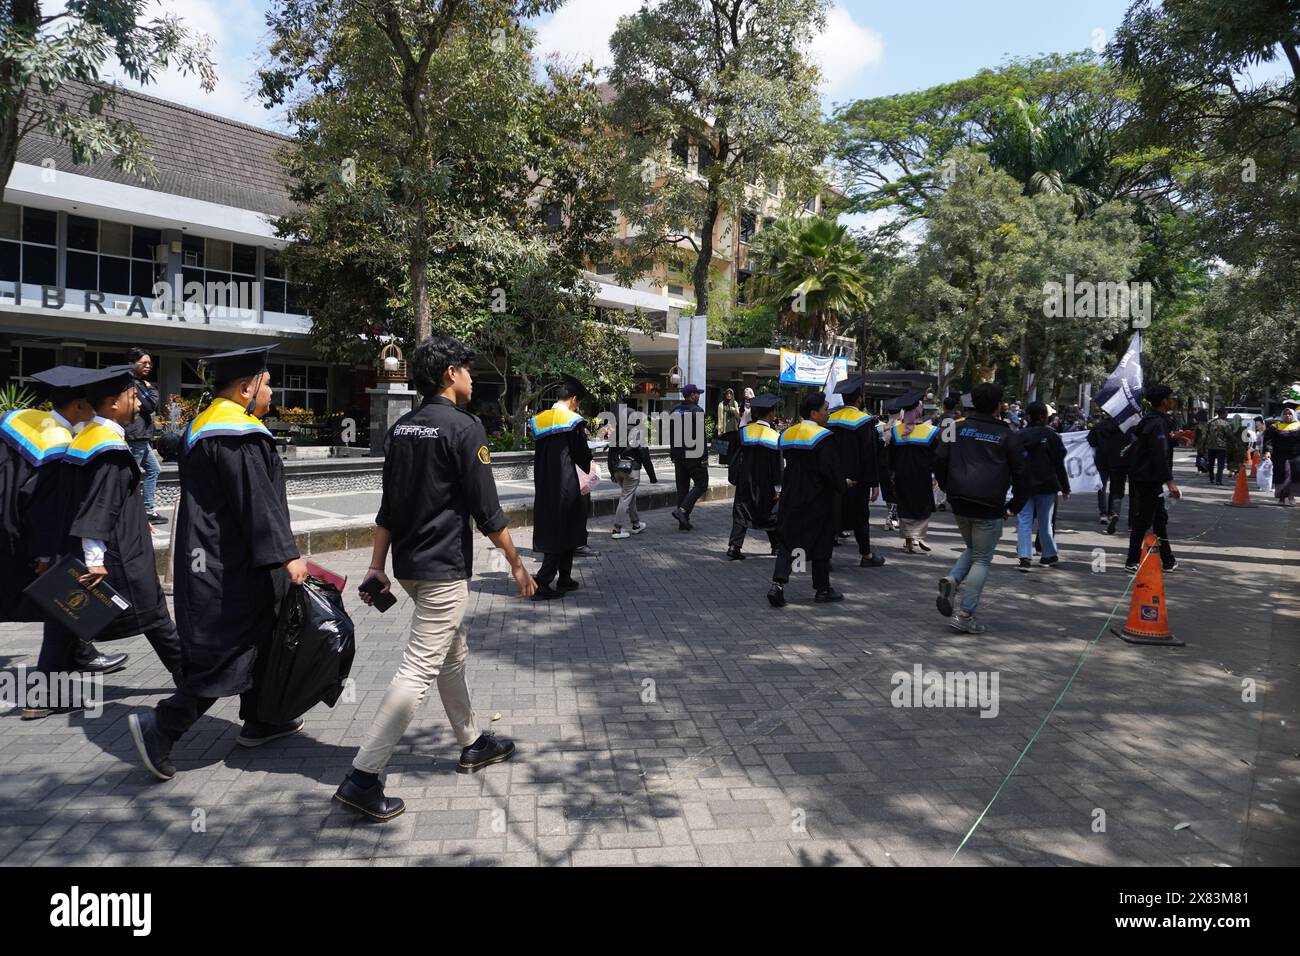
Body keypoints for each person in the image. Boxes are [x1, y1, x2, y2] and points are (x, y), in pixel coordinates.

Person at [333, 336, 535, 821]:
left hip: (408, 568)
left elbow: (389, 508)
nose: (472, 375)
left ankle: (472, 742)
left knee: (451, 652)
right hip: (443, 568)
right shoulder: (465, 428)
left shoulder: (403, 429)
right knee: (419, 667)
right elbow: (488, 511)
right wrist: (517, 564)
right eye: (467, 367)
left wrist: (377, 565)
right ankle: (363, 776)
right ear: (450, 373)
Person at [127, 346, 306, 781]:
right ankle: (162, 728)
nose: (270, 392)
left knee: (265, 633)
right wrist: (287, 556)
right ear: (246, 388)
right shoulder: (236, 433)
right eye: (266, 384)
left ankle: (263, 720)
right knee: (231, 649)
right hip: (232, 561)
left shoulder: (205, 424)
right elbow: (257, 505)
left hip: (211, 552)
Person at [26, 367, 183, 720]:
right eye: (132, 396)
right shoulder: (108, 448)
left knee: (62, 621)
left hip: (77, 547)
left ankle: (40, 697)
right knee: (155, 616)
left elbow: (71, 502)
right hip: (116, 552)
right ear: (113, 404)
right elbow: (99, 506)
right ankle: (193, 676)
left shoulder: (82, 438)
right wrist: (96, 558)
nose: (140, 404)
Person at [1, 367, 126, 678]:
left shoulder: (18, 418)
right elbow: (42, 508)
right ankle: (78, 657)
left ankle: (82, 652)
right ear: (78, 406)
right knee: (62, 592)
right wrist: (43, 554)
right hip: (16, 527)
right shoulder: (57, 445)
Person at [933, 381, 1030, 634]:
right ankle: (965, 614)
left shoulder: (953, 427)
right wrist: (1015, 506)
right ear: (999, 406)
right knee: (982, 558)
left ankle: (953, 580)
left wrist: (947, 488)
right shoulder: (1009, 434)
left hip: (959, 502)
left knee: (975, 549)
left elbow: (939, 459)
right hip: (989, 504)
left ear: (973, 404)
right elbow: (1022, 474)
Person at [767, 391, 846, 607]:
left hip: (791, 495)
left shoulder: (787, 435)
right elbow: (830, 469)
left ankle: (778, 584)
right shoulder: (824, 437)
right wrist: (843, 484)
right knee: (820, 541)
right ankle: (822, 588)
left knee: (788, 541)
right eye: (825, 409)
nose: (828, 413)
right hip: (817, 497)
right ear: (814, 413)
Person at [529, 375, 594, 599]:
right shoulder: (573, 422)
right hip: (566, 483)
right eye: (579, 402)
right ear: (573, 399)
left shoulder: (540, 420)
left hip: (544, 481)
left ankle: (565, 578)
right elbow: (581, 454)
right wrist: (590, 460)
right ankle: (543, 581)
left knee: (560, 526)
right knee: (562, 527)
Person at [826, 374, 886, 568]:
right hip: (857, 480)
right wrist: (874, 483)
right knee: (860, 517)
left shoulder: (830, 419)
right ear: (859, 399)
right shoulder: (864, 421)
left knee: (832, 514)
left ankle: (825, 558)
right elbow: (869, 456)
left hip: (833, 479)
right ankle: (866, 555)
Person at [1124, 384, 1181, 573]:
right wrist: (1170, 481)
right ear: (1164, 401)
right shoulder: (1157, 423)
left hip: (1144, 476)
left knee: (1159, 519)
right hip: (1149, 478)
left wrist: (1172, 438)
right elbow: (1159, 454)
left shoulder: (1152, 421)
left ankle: (1168, 560)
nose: (1173, 400)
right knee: (1144, 520)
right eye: (1171, 397)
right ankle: (1132, 560)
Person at [1015, 401, 1071, 571]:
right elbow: (1059, 464)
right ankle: (1048, 555)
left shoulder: (1018, 436)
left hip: (1023, 485)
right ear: (1042, 417)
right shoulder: (1053, 436)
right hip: (1047, 485)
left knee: (1024, 521)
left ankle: (1024, 557)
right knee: (1045, 522)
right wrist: (1065, 486)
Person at [726, 392, 782, 560]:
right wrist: (778, 487)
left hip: (745, 480)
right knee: (771, 514)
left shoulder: (743, 432)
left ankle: (734, 547)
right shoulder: (775, 436)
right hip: (765, 482)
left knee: (741, 511)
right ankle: (777, 547)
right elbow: (777, 465)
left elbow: (732, 455)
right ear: (771, 414)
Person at [884, 389, 939, 553]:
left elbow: (891, 457)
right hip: (922, 476)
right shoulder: (930, 431)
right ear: (919, 412)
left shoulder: (896, 431)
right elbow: (935, 457)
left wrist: (893, 473)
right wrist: (935, 475)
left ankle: (910, 540)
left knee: (905, 505)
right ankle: (918, 537)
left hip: (902, 476)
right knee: (922, 506)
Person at [124, 347, 166, 525]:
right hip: (135, 435)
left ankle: (148, 509)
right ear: (132, 363)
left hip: (142, 436)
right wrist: (146, 391)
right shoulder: (128, 382)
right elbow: (149, 406)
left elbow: (151, 404)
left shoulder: (141, 384)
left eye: (150, 363)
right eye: (144, 363)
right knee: (131, 475)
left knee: (153, 470)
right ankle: (127, 511)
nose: (148, 366)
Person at [607, 404, 657, 539]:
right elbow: (645, 456)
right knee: (625, 498)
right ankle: (617, 529)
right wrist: (652, 477)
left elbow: (610, 455)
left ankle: (636, 524)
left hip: (617, 470)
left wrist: (612, 472)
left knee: (629, 496)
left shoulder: (616, 432)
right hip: (632, 470)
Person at [1087, 408, 1134, 535]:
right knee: (1117, 489)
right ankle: (1113, 512)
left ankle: (1103, 513)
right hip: (1120, 462)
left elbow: (1091, 441)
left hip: (1102, 460)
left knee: (1101, 487)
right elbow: (1132, 442)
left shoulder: (1099, 426)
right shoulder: (1126, 427)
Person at [669, 383, 709, 530]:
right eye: (697, 394)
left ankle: (683, 522)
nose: (699, 396)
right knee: (702, 484)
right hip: (694, 455)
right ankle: (683, 510)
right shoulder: (697, 410)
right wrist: (704, 456)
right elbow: (700, 436)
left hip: (678, 455)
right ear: (692, 395)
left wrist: (672, 454)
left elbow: (671, 434)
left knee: (682, 488)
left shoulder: (674, 410)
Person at [1263, 404, 1300, 506]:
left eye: (1289, 414)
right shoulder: (1274, 427)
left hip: (1295, 457)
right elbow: (1269, 441)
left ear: (1293, 415)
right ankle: (1282, 497)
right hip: (1279, 456)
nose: (1287, 415)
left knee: (1293, 476)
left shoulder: (1298, 426)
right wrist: (1268, 451)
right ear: (1282, 415)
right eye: (1285, 414)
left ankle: (1291, 497)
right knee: (1282, 476)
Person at [1204, 407, 1235, 486]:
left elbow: (1205, 434)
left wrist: (1205, 444)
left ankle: (1211, 478)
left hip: (1211, 446)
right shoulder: (1225, 424)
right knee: (1220, 465)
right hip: (1221, 446)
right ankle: (1218, 480)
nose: (1227, 415)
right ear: (1223, 414)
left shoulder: (1210, 422)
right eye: (1226, 413)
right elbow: (1230, 435)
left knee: (1211, 464)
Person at [716, 388, 741, 466]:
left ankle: (732, 461)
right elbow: (720, 417)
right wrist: (719, 429)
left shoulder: (735, 403)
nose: (729, 395)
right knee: (724, 446)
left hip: (734, 428)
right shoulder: (721, 404)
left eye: (730, 394)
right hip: (725, 428)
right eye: (727, 394)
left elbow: (738, 416)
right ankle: (724, 462)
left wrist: (734, 410)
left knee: (733, 446)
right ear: (725, 395)